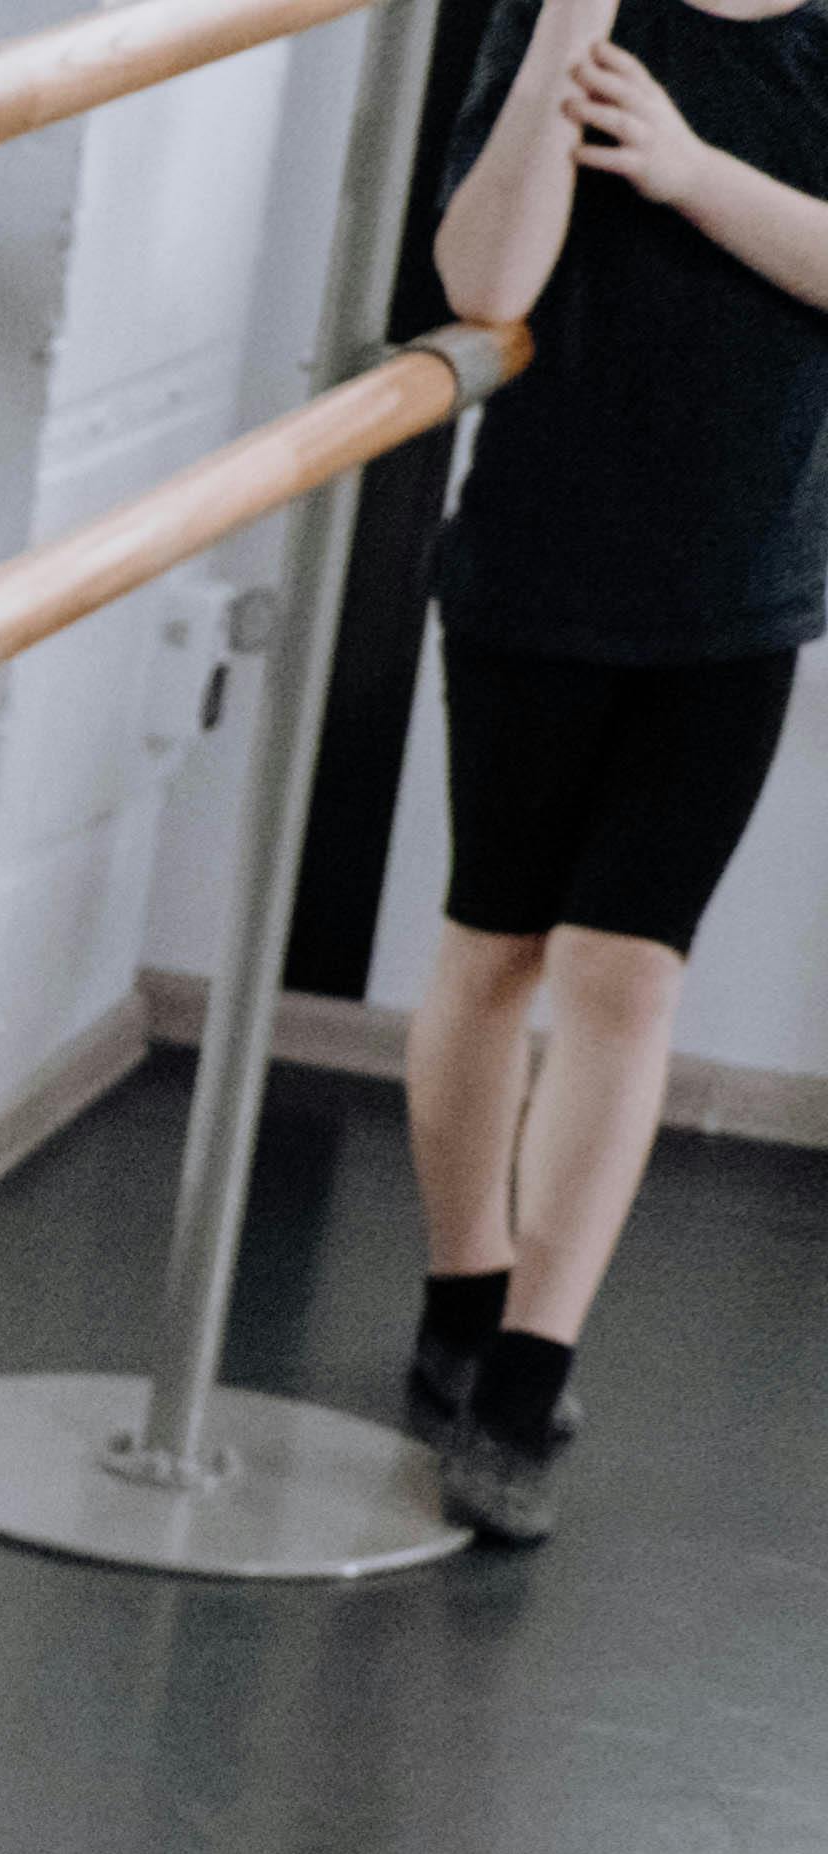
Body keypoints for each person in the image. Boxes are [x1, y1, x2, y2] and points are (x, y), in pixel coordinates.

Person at [403, 0, 828, 1543]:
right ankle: (463, 1293)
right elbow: (483, 280)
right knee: (497, 948)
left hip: (739, 592)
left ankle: (527, 1373)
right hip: (535, 566)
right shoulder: (559, 13)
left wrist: (689, 166)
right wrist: (564, 33)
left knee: (627, 972)